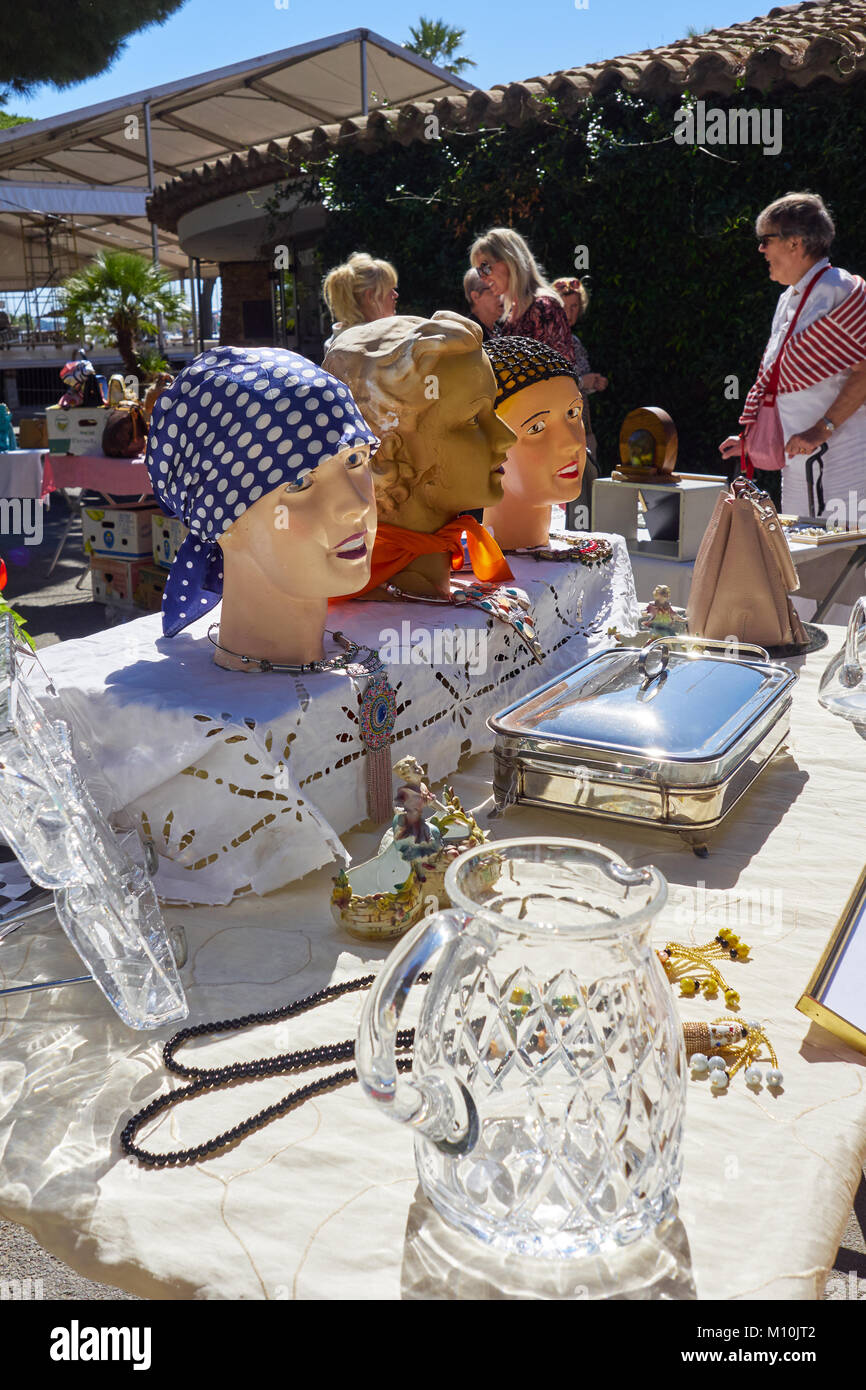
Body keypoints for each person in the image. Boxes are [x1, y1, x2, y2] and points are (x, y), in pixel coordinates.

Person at [719, 193, 866, 520]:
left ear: (795, 243)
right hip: (801, 464)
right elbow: (784, 387)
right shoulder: (790, 297)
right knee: (803, 563)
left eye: (766, 240)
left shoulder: (840, 289)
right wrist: (755, 440)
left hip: (841, 463)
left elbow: (865, 371)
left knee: (841, 564)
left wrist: (821, 429)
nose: (761, 250)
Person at [469, 228, 574, 361]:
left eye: (485, 268)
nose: (482, 277)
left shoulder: (544, 308)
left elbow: (564, 371)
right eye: (479, 271)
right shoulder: (512, 315)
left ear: (511, 261)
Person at [552, 275, 608, 465]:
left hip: (583, 426)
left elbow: (581, 381)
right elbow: (551, 383)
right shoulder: (546, 341)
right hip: (557, 430)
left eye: (574, 306)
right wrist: (584, 381)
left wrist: (595, 383)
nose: (569, 312)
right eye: (563, 307)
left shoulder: (575, 342)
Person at [322, 252, 399, 353]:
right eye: (390, 289)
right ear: (370, 296)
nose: (395, 295)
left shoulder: (333, 342)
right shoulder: (382, 347)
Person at [462, 267, 503, 340]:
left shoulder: (498, 332)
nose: (501, 294)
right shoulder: (468, 335)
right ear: (475, 297)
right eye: (493, 288)